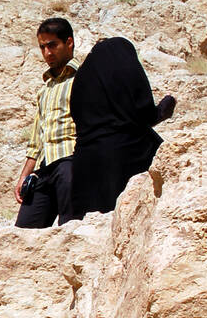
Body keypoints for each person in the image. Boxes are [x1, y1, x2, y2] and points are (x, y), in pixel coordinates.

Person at [69, 36, 176, 219]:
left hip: (83, 166)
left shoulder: (81, 80)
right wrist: (166, 106)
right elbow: (143, 115)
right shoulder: (124, 73)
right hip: (123, 162)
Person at [14, 17, 79, 228]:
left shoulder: (83, 78)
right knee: (22, 234)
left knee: (71, 228)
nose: (47, 53)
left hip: (71, 160)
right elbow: (36, 139)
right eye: (42, 47)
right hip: (43, 168)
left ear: (68, 43)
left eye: (52, 45)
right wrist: (24, 175)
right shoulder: (45, 89)